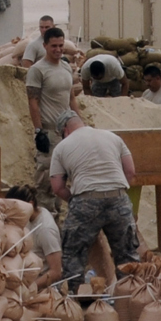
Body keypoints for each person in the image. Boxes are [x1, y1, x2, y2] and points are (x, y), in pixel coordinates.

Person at [48, 114, 140, 289]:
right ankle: (130, 300)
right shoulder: (113, 137)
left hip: (85, 199)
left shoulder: (62, 147)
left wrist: (77, 202)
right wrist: (116, 195)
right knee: (127, 256)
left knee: (73, 256)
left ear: (64, 130)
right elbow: (130, 172)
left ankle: (75, 306)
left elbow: (58, 187)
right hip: (118, 198)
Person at [24, 31, 80, 198]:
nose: (58, 49)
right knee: (47, 179)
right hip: (49, 132)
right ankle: (46, 218)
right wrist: (39, 131)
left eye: (61, 45)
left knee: (67, 177)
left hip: (67, 132)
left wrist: (81, 126)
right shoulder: (37, 70)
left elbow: (71, 98)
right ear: (45, 46)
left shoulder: (65, 67)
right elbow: (32, 101)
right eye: (54, 46)